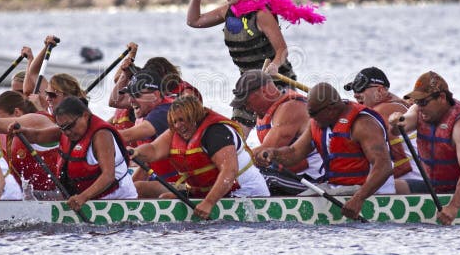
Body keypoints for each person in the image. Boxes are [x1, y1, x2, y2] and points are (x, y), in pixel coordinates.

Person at [186, 0, 324, 134]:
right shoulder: (226, 11)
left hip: (275, 82)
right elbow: (194, 21)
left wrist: (274, 65)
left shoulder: (262, 15)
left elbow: (282, 50)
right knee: (236, 135)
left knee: (279, 133)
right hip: (248, 84)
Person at [255, 83, 394, 219]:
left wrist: (359, 198)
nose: (311, 119)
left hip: (368, 191)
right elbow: (294, 153)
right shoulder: (317, 122)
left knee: (301, 211)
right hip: (335, 187)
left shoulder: (363, 124)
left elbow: (383, 166)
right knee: (298, 203)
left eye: (314, 114)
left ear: (331, 109)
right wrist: (274, 154)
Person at [130, 95, 269, 219]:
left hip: (245, 193)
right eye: (175, 121)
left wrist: (208, 203)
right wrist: (135, 152)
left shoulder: (216, 133)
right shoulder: (176, 132)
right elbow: (154, 150)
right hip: (209, 192)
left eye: (182, 120)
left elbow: (229, 172)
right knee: (163, 198)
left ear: (195, 117)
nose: (178, 126)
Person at [389, 71, 460, 225]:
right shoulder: (419, 111)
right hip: (440, 187)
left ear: (441, 98)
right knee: (389, 186)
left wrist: (453, 207)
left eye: (423, 102)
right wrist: (395, 122)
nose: (419, 107)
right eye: (417, 102)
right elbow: (401, 125)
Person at [16, 96, 137, 209]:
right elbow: (37, 136)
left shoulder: (101, 135)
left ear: (85, 115)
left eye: (70, 126)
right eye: (62, 128)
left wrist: (83, 197)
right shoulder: (67, 129)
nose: (67, 132)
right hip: (86, 199)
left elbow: (108, 176)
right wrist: (22, 131)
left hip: (118, 199)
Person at [230, 70, 323, 195]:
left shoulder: (291, 108)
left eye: (247, 102)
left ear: (264, 91)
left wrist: (227, 165)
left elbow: (265, 150)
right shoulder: (263, 113)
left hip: (313, 181)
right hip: (291, 175)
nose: (246, 108)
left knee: (259, 179)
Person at [0, 90, 61, 197]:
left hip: (55, 194)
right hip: (27, 194)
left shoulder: (35, 119)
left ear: (17, 112)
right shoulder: (7, 135)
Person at [344, 67, 420, 193]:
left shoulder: (384, 111)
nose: (356, 94)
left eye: (361, 89)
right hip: (403, 180)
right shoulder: (391, 105)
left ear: (380, 90)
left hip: (417, 181)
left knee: (362, 185)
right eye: (354, 89)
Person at [116, 69, 181, 198]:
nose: (131, 101)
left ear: (156, 95)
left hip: (182, 184)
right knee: (125, 188)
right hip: (163, 181)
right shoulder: (146, 114)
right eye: (130, 95)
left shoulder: (166, 111)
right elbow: (146, 163)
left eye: (137, 95)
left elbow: (127, 135)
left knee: (136, 188)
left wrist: (95, 134)